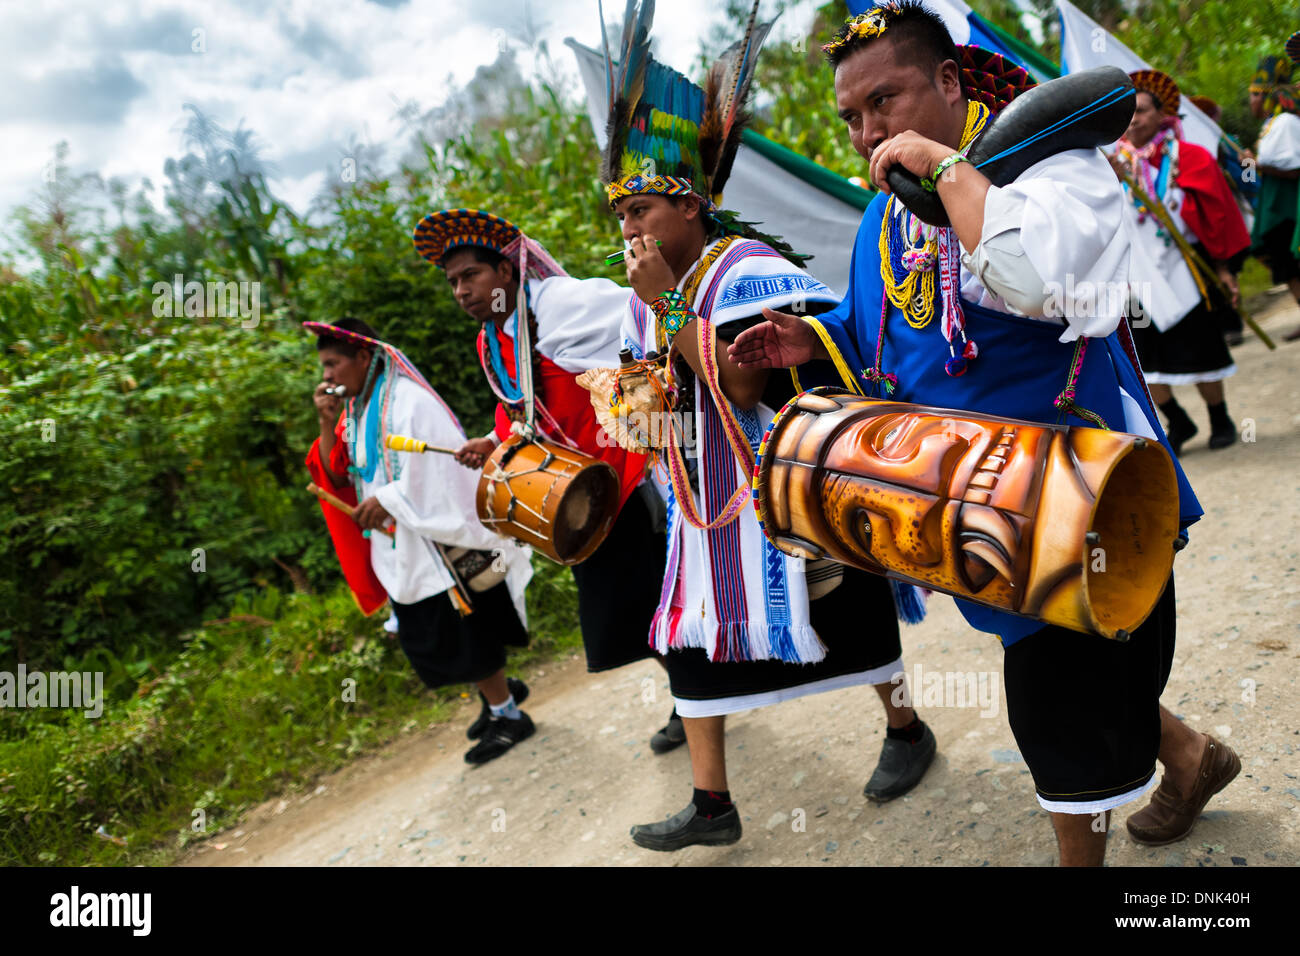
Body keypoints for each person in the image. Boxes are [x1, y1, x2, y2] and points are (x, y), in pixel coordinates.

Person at [729, 0, 1239, 865]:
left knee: (1058, 708)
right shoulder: (885, 214)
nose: (864, 132)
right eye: (851, 116)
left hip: (1071, 496)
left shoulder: (1053, 167)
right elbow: (870, 335)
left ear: (951, 80)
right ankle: (1189, 758)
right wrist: (805, 340)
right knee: (1075, 668)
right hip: (965, 498)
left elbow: (1039, 279)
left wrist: (949, 171)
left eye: (883, 102)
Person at [599, 0, 934, 852]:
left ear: (692, 207)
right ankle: (713, 803)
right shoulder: (647, 298)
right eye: (622, 214)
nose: (628, 227)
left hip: (784, 484)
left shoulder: (745, 269)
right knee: (692, 643)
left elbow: (747, 380)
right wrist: (638, 412)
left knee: (850, 620)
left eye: (641, 209)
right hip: (701, 499)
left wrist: (664, 306)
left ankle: (906, 730)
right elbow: (665, 392)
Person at [411, 210, 685, 754]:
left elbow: (650, 327)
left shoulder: (560, 305)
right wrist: (494, 444)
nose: (461, 291)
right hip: (580, 495)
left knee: (650, 603)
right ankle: (696, 694)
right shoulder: (494, 340)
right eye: (453, 283)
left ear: (507, 272)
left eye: (471, 276)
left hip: (626, 480)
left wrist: (652, 416)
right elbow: (523, 410)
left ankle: (704, 692)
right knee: (637, 610)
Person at [305, 317, 536, 765]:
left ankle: (508, 714)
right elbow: (339, 474)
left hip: (438, 540)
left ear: (362, 356)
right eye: (324, 366)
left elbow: (441, 466)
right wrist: (325, 421)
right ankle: (497, 701)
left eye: (334, 364)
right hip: (403, 542)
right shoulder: (354, 410)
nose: (327, 375)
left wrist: (390, 500)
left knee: (466, 628)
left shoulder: (409, 401)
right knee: (440, 630)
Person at [1111, 70, 1251, 453]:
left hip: (1185, 271)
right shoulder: (1107, 164)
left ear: (1162, 114)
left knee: (1201, 349)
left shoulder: (1188, 157)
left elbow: (1218, 215)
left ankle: (1219, 418)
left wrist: (1225, 268)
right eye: (1128, 112)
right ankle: (1178, 421)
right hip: (1134, 279)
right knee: (1144, 358)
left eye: (1141, 110)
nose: (1134, 118)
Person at [1249, 38, 1300, 342]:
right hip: (1276, 204)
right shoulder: (1272, 124)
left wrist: (1259, 165)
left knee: (1292, 258)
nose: (1252, 102)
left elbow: (1295, 167)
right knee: (1286, 261)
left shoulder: (1285, 122)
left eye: (1256, 95)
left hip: (1289, 204)